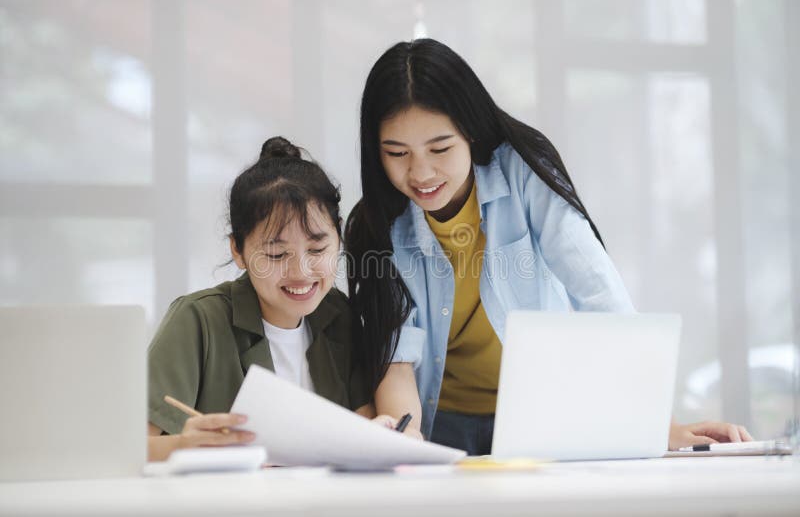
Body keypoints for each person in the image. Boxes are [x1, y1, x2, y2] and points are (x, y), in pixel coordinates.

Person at [344, 38, 752, 455]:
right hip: (438, 422)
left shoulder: (523, 172)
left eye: (440, 148)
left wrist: (659, 425)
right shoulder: (375, 226)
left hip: (537, 417)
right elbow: (393, 353)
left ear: (470, 130)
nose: (420, 172)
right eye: (397, 153)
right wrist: (407, 440)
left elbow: (598, 291)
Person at [147, 137, 391, 461]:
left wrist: (379, 435)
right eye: (276, 254)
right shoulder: (197, 320)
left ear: (339, 236)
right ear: (238, 250)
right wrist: (182, 446)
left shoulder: (338, 315)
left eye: (318, 249)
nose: (301, 271)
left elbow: (361, 431)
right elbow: (125, 448)